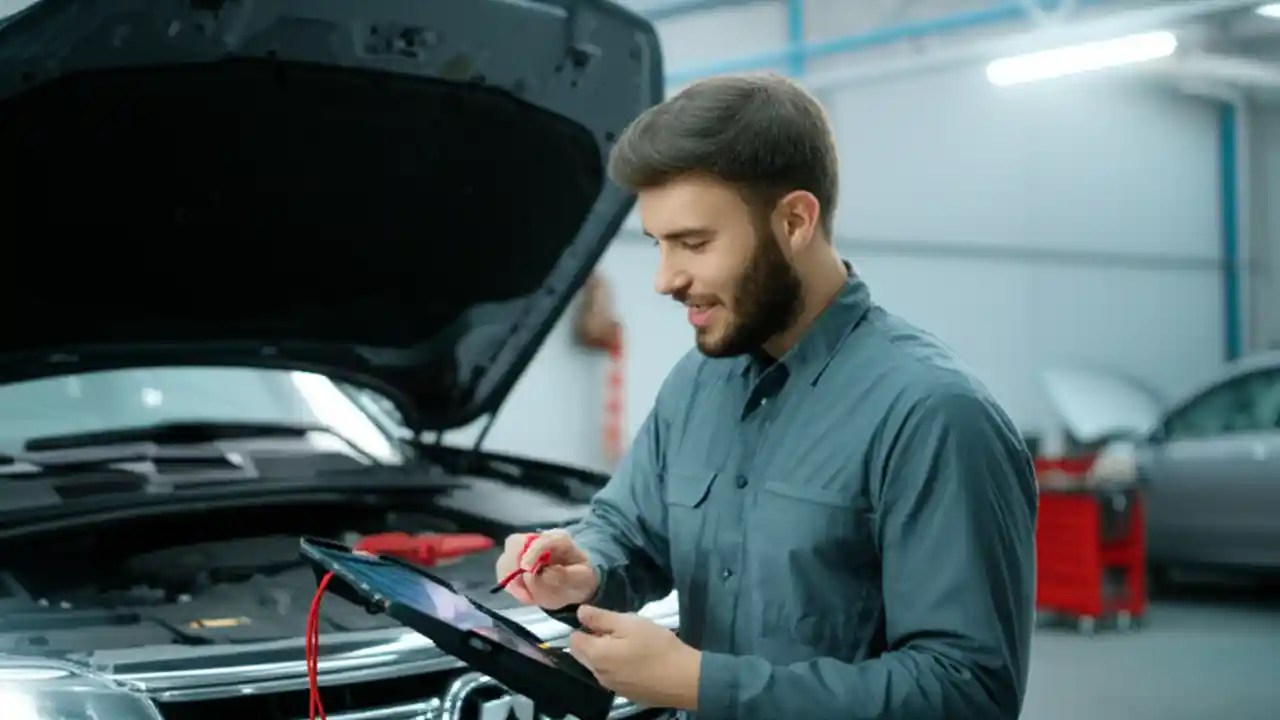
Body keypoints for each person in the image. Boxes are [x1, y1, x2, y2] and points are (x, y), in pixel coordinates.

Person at [494, 72, 1038, 720]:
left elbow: (967, 694)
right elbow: (631, 530)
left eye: (694, 242)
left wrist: (701, 684)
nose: (666, 279)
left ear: (795, 221)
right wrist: (587, 567)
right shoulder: (697, 384)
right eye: (658, 245)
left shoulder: (935, 418)